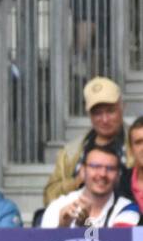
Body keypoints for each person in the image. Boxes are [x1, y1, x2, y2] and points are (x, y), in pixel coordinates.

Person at [44, 76, 130, 204]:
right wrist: (77, 181)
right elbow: (49, 197)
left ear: (122, 107)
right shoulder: (71, 152)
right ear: (89, 115)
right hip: (83, 219)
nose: (105, 119)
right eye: (97, 113)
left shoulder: (137, 144)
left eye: (111, 111)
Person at [42, 146, 140, 227]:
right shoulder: (58, 206)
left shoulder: (128, 209)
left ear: (118, 176)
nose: (102, 174)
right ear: (82, 171)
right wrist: (62, 227)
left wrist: (85, 225)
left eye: (110, 168)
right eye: (95, 166)